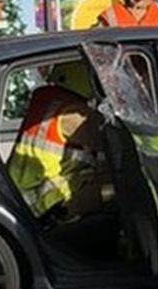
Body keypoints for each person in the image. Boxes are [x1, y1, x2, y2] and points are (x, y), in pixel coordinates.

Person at [7, 61, 105, 222]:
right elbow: (109, 145)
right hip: (46, 201)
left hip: (22, 195)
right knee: (108, 187)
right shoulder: (74, 113)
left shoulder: (47, 101)